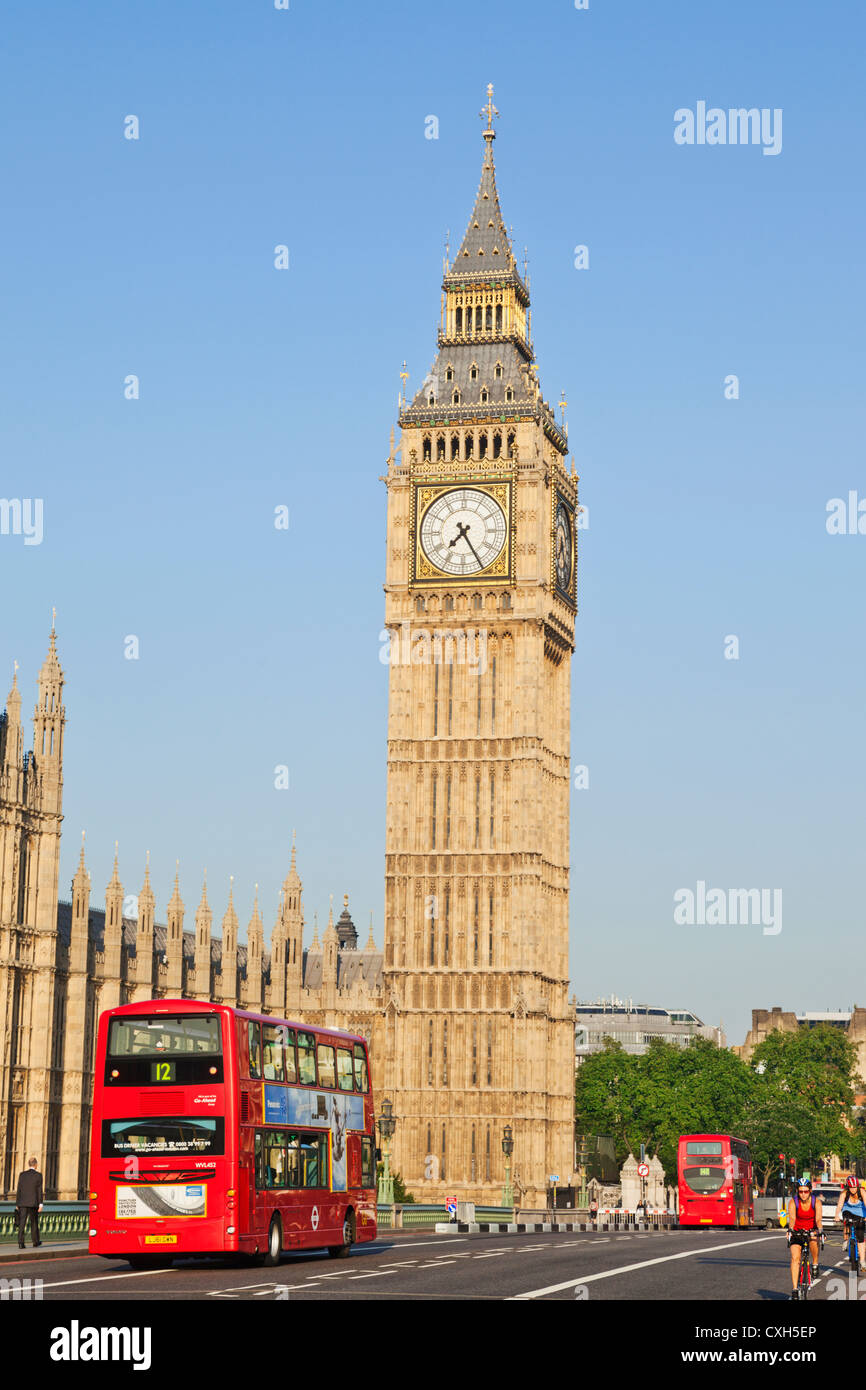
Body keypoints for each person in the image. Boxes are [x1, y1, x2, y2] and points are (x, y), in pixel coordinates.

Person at [787, 1177, 822, 1299]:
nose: (803, 1194)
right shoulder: (793, 1202)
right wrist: (790, 1230)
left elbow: (818, 1219)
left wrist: (820, 1231)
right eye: (800, 1191)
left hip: (811, 1231)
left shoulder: (816, 1202)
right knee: (795, 1258)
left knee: (814, 1241)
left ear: (810, 1191)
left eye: (806, 1191)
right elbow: (792, 1219)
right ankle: (795, 1289)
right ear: (797, 1191)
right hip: (797, 1231)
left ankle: (815, 1263)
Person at [834, 1175, 866, 1269]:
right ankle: (846, 1239)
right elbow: (840, 1205)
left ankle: (862, 1261)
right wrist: (836, 1215)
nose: (853, 1189)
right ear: (848, 1187)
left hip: (860, 1213)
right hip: (848, 1211)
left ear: (857, 1186)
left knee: (860, 1237)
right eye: (851, 1187)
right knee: (847, 1221)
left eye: (854, 1187)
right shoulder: (844, 1193)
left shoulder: (862, 1192)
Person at [16, 1157, 44, 1249]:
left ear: (29, 1164)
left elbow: (19, 1190)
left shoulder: (22, 1175)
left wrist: (17, 1203)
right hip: (33, 1203)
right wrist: (41, 1204)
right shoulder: (38, 1175)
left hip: (23, 1202)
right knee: (34, 1223)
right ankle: (35, 1242)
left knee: (22, 1223)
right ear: (35, 1165)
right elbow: (39, 1191)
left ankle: (21, 1243)